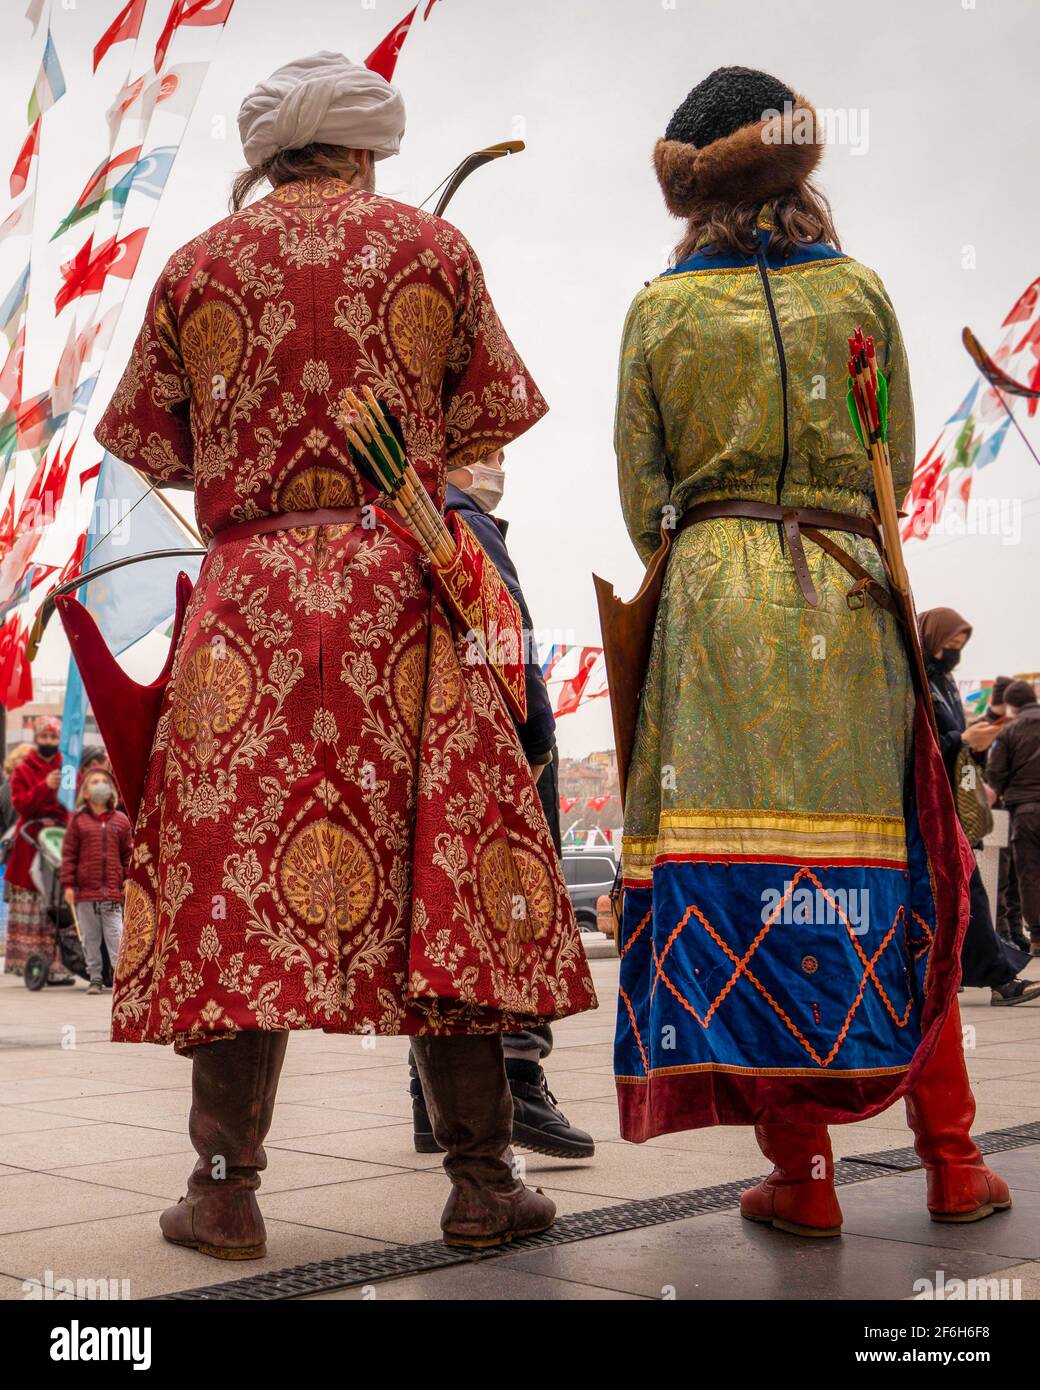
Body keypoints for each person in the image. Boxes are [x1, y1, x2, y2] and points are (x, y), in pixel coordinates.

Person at [90, 51, 596, 1260]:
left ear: (268, 154)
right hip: (399, 592)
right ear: (367, 147)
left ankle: (223, 1192)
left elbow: (152, 445)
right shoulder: (433, 248)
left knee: (231, 896)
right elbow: (482, 423)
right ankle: (481, 1185)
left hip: (247, 604)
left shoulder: (195, 264)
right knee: (447, 873)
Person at [611, 65, 1009, 1237]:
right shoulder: (861, 293)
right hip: (848, 599)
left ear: (690, 197)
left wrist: (709, 543)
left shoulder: (658, 311)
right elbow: (889, 453)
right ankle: (953, 1160)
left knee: (743, 892)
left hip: (715, 610)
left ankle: (803, 1178)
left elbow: (644, 500)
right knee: (897, 869)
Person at [408, 450, 596, 1160]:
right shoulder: (467, 523)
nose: (498, 465)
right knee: (511, 916)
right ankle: (518, 1078)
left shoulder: (401, 523)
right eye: (485, 453)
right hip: (494, 746)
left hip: (436, 749)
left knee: (445, 922)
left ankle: (431, 1107)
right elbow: (509, 636)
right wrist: (539, 735)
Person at [920, 609, 1038, 1004]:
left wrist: (971, 739)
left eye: (960, 647)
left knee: (968, 891)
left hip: (949, 803)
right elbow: (919, 743)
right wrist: (963, 739)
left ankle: (994, 977)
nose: (954, 653)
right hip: (925, 806)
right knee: (963, 891)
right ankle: (996, 979)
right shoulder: (916, 680)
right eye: (949, 645)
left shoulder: (944, 683)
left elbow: (949, 738)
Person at [2, 718, 70, 981]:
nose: (49, 743)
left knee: (55, 903)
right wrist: (44, 787)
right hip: (29, 846)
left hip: (58, 843)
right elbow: (20, 804)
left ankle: (58, 963)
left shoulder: (67, 767)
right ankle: (25, 962)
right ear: (36, 738)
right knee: (32, 902)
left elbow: (71, 803)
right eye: (45, 737)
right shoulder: (23, 770)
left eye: (54, 738)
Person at [60, 767, 131, 995]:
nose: (100, 785)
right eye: (94, 782)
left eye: (104, 781)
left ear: (111, 790)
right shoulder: (78, 821)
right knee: (90, 937)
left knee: (116, 935)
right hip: (85, 893)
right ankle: (95, 977)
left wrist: (128, 879)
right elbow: (69, 855)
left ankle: (120, 976)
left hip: (111, 893)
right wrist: (69, 885)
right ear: (86, 792)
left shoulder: (121, 821)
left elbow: (128, 854)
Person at [985, 680, 1040, 957]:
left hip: (1026, 812)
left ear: (1012, 706)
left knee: (1028, 873)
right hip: (1026, 805)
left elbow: (994, 780)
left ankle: (1038, 937)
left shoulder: (1008, 732)